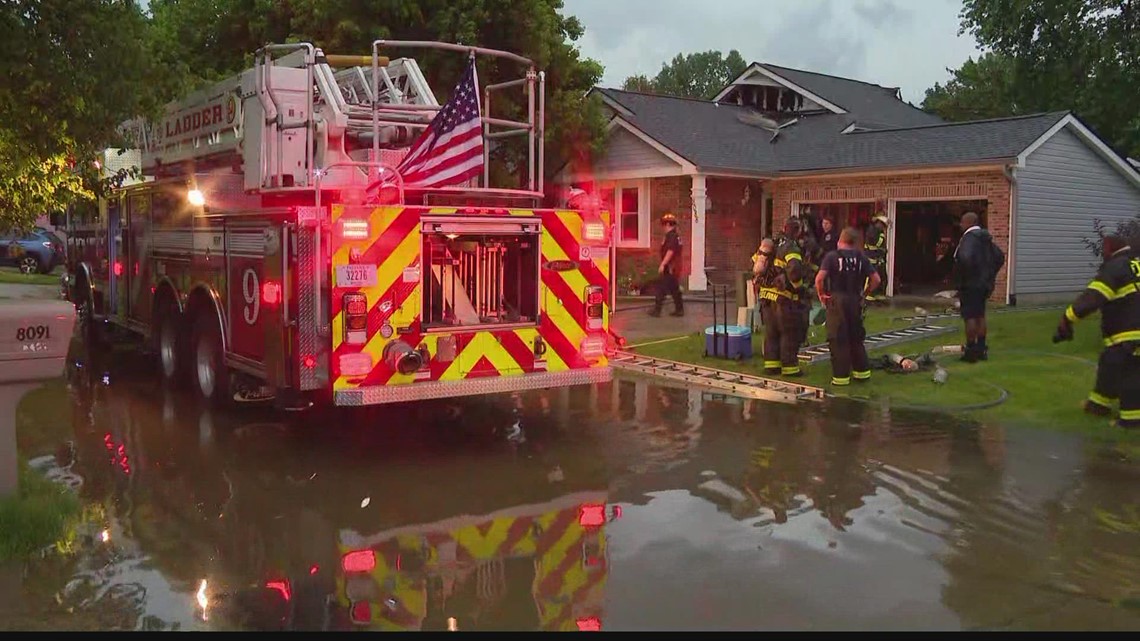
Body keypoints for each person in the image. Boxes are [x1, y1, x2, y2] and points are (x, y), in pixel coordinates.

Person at [1055, 234, 1140, 428]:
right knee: (1110, 363)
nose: (1102, 252)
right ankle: (1098, 406)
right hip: (1129, 334)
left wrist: (1067, 318)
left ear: (1109, 248)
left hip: (1130, 333)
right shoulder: (1135, 266)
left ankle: (1132, 421)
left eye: (1103, 248)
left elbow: (1092, 299)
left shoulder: (1114, 268)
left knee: (1130, 372)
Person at [815, 227, 881, 386]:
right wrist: (865, 294)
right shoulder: (861, 257)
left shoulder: (831, 257)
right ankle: (862, 374)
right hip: (855, 300)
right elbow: (876, 279)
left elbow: (819, 279)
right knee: (856, 338)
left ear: (840, 241)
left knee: (838, 339)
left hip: (837, 300)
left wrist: (822, 295)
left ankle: (840, 378)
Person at [953, 211, 1004, 362]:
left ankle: (971, 350)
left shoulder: (969, 238)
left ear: (968, 222)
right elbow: (999, 257)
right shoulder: (985, 239)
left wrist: (965, 277)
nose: (960, 225)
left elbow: (965, 258)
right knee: (980, 315)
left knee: (970, 316)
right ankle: (981, 348)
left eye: (962, 222)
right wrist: (989, 275)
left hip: (970, 285)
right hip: (984, 285)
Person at [772, 219, 809, 376]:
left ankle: (772, 366)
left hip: (771, 297)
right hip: (786, 297)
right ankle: (790, 369)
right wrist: (799, 288)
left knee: (773, 333)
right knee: (790, 332)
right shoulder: (791, 246)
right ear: (797, 231)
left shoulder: (776, 243)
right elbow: (794, 271)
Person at [752, 238, 782, 375]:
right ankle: (777, 361)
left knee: (769, 332)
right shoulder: (776, 257)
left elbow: (754, 269)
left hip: (764, 298)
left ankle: (770, 363)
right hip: (777, 299)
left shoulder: (758, 256)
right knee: (777, 332)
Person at [648, 213, 684, 317]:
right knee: (674, 289)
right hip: (674, 267)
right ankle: (679, 310)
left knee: (661, 288)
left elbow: (670, 251)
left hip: (670, 267)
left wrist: (663, 264)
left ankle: (657, 311)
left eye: (664, 224)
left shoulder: (671, 236)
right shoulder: (675, 236)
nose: (663, 227)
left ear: (668, 224)